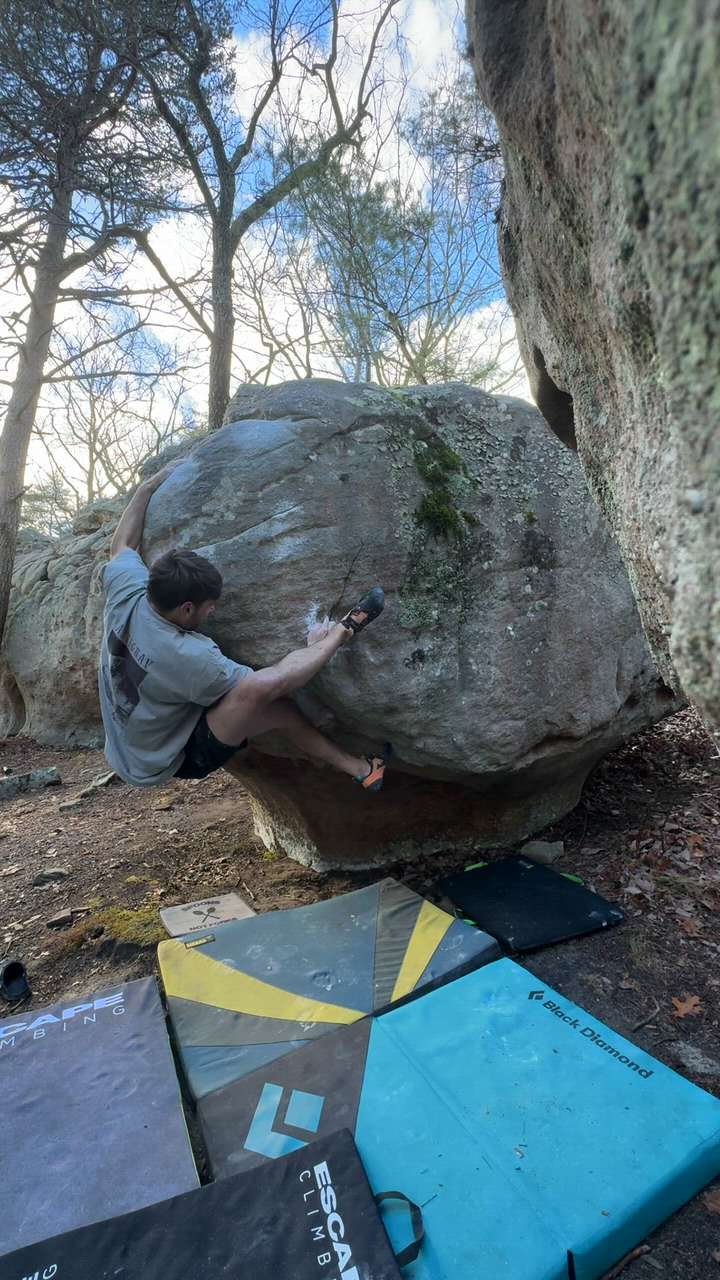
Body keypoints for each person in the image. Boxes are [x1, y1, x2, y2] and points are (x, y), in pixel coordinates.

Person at [98, 463, 389, 792]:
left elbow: (122, 544)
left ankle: (363, 770)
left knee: (283, 714)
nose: (214, 611)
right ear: (187, 608)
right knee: (262, 697)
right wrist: (337, 634)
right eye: (210, 607)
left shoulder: (128, 590)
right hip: (167, 760)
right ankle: (346, 631)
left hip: (124, 744)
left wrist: (147, 487)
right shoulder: (189, 656)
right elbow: (267, 685)